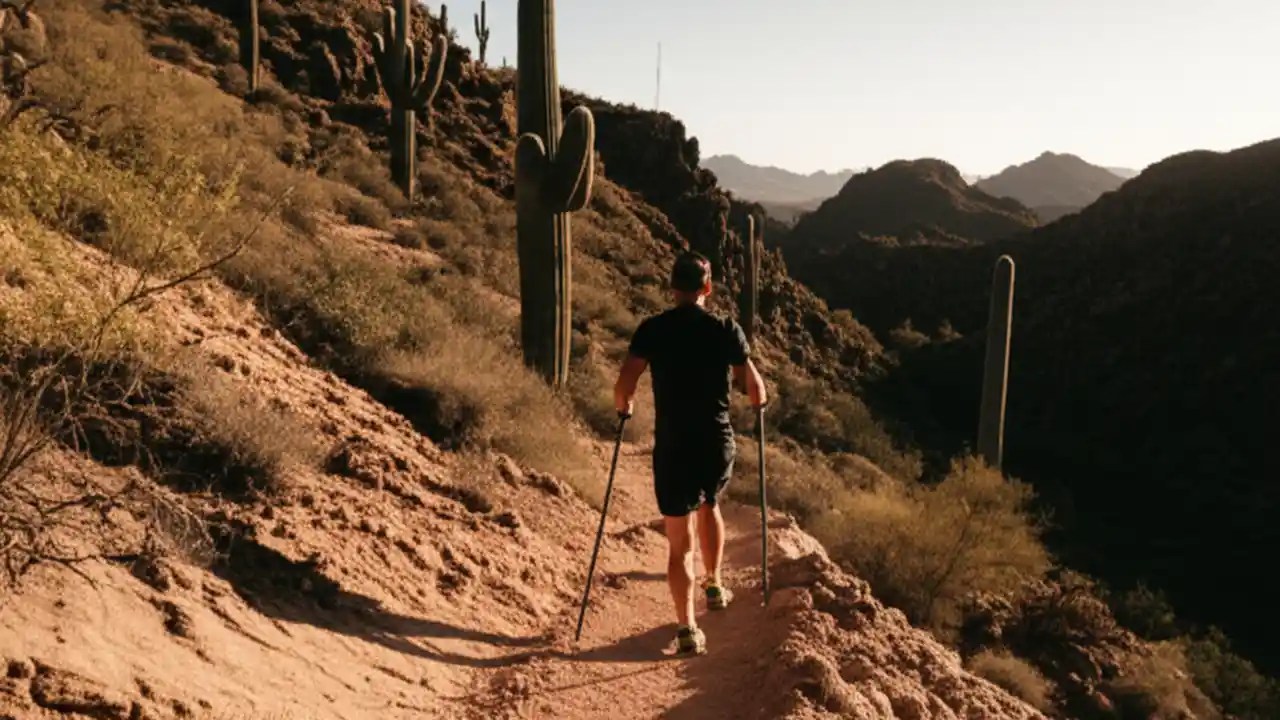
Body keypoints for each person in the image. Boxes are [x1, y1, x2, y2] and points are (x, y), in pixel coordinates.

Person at [613, 251, 768, 655]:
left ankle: (686, 628)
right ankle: (714, 583)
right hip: (714, 441)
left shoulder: (653, 329)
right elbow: (754, 386)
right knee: (710, 503)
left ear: (672, 287)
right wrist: (759, 405)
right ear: (707, 287)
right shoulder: (725, 329)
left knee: (678, 543)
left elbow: (625, 382)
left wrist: (624, 407)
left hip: (673, 444)